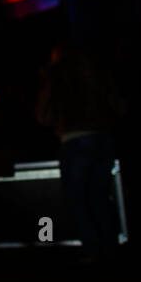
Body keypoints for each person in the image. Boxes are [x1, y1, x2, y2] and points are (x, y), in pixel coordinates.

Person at [35, 42, 125, 263]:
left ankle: (94, 252)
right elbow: (120, 105)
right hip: (101, 138)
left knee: (78, 201)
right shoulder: (95, 72)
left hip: (74, 140)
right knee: (100, 198)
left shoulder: (56, 75)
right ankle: (111, 251)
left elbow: (43, 115)